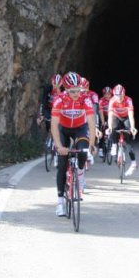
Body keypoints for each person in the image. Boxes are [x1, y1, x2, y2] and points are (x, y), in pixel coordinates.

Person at [50, 72, 97, 216]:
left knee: (83, 151)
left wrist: (92, 144)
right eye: (72, 91)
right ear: (66, 90)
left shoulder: (85, 99)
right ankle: (59, 203)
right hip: (63, 130)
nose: (76, 93)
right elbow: (53, 125)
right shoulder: (60, 100)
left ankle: (81, 173)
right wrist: (59, 146)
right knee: (63, 165)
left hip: (79, 129)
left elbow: (91, 122)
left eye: (78, 90)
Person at [105, 84, 138, 176]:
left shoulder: (128, 100)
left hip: (126, 117)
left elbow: (131, 116)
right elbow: (110, 116)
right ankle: (114, 145)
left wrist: (132, 127)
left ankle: (133, 162)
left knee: (128, 138)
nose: (119, 98)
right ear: (114, 95)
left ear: (124, 94)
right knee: (113, 129)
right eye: (117, 96)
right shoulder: (112, 101)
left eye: (121, 95)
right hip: (116, 116)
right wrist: (110, 127)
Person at [98, 86, 112, 158]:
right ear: (103, 95)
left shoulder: (113, 100)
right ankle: (100, 149)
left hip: (111, 115)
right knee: (102, 130)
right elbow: (100, 112)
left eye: (109, 94)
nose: (107, 95)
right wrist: (103, 122)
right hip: (103, 115)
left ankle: (113, 144)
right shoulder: (101, 101)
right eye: (105, 94)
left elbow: (114, 112)